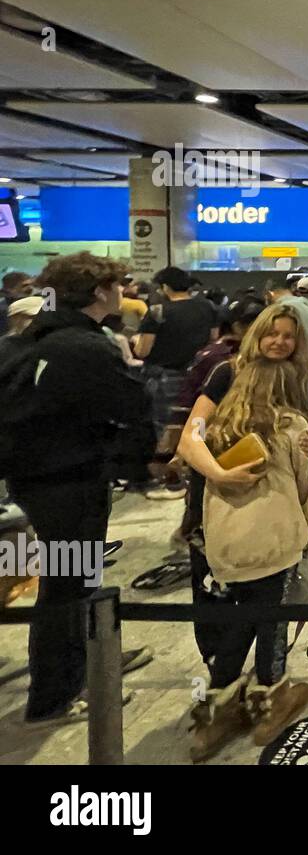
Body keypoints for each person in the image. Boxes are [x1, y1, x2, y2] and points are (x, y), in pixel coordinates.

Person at [1, 252, 154, 724]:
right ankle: (55, 695)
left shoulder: (27, 341)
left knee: (74, 582)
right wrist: (136, 457)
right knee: (69, 586)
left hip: (35, 478)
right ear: (97, 292)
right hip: (71, 480)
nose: (123, 293)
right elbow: (129, 405)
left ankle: (91, 660)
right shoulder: (81, 346)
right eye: (116, 286)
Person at [185, 302, 308, 758]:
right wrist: (219, 475)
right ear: (257, 334)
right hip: (249, 512)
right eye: (273, 334)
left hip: (231, 516)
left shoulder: (301, 384)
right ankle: (267, 692)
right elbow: (192, 437)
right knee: (267, 608)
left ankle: (221, 699)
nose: (280, 342)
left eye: (289, 335)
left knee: (247, 605)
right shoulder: (225, 374)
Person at [135, 266, 220, 500]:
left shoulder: (158, 310)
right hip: (200, 374)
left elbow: (144, 349)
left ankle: (169, 480)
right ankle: (197, 470)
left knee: (165, 427)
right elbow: (213, 340)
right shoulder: (207, 306)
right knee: (197, 422)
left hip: (166, 376)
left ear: (165, 287)